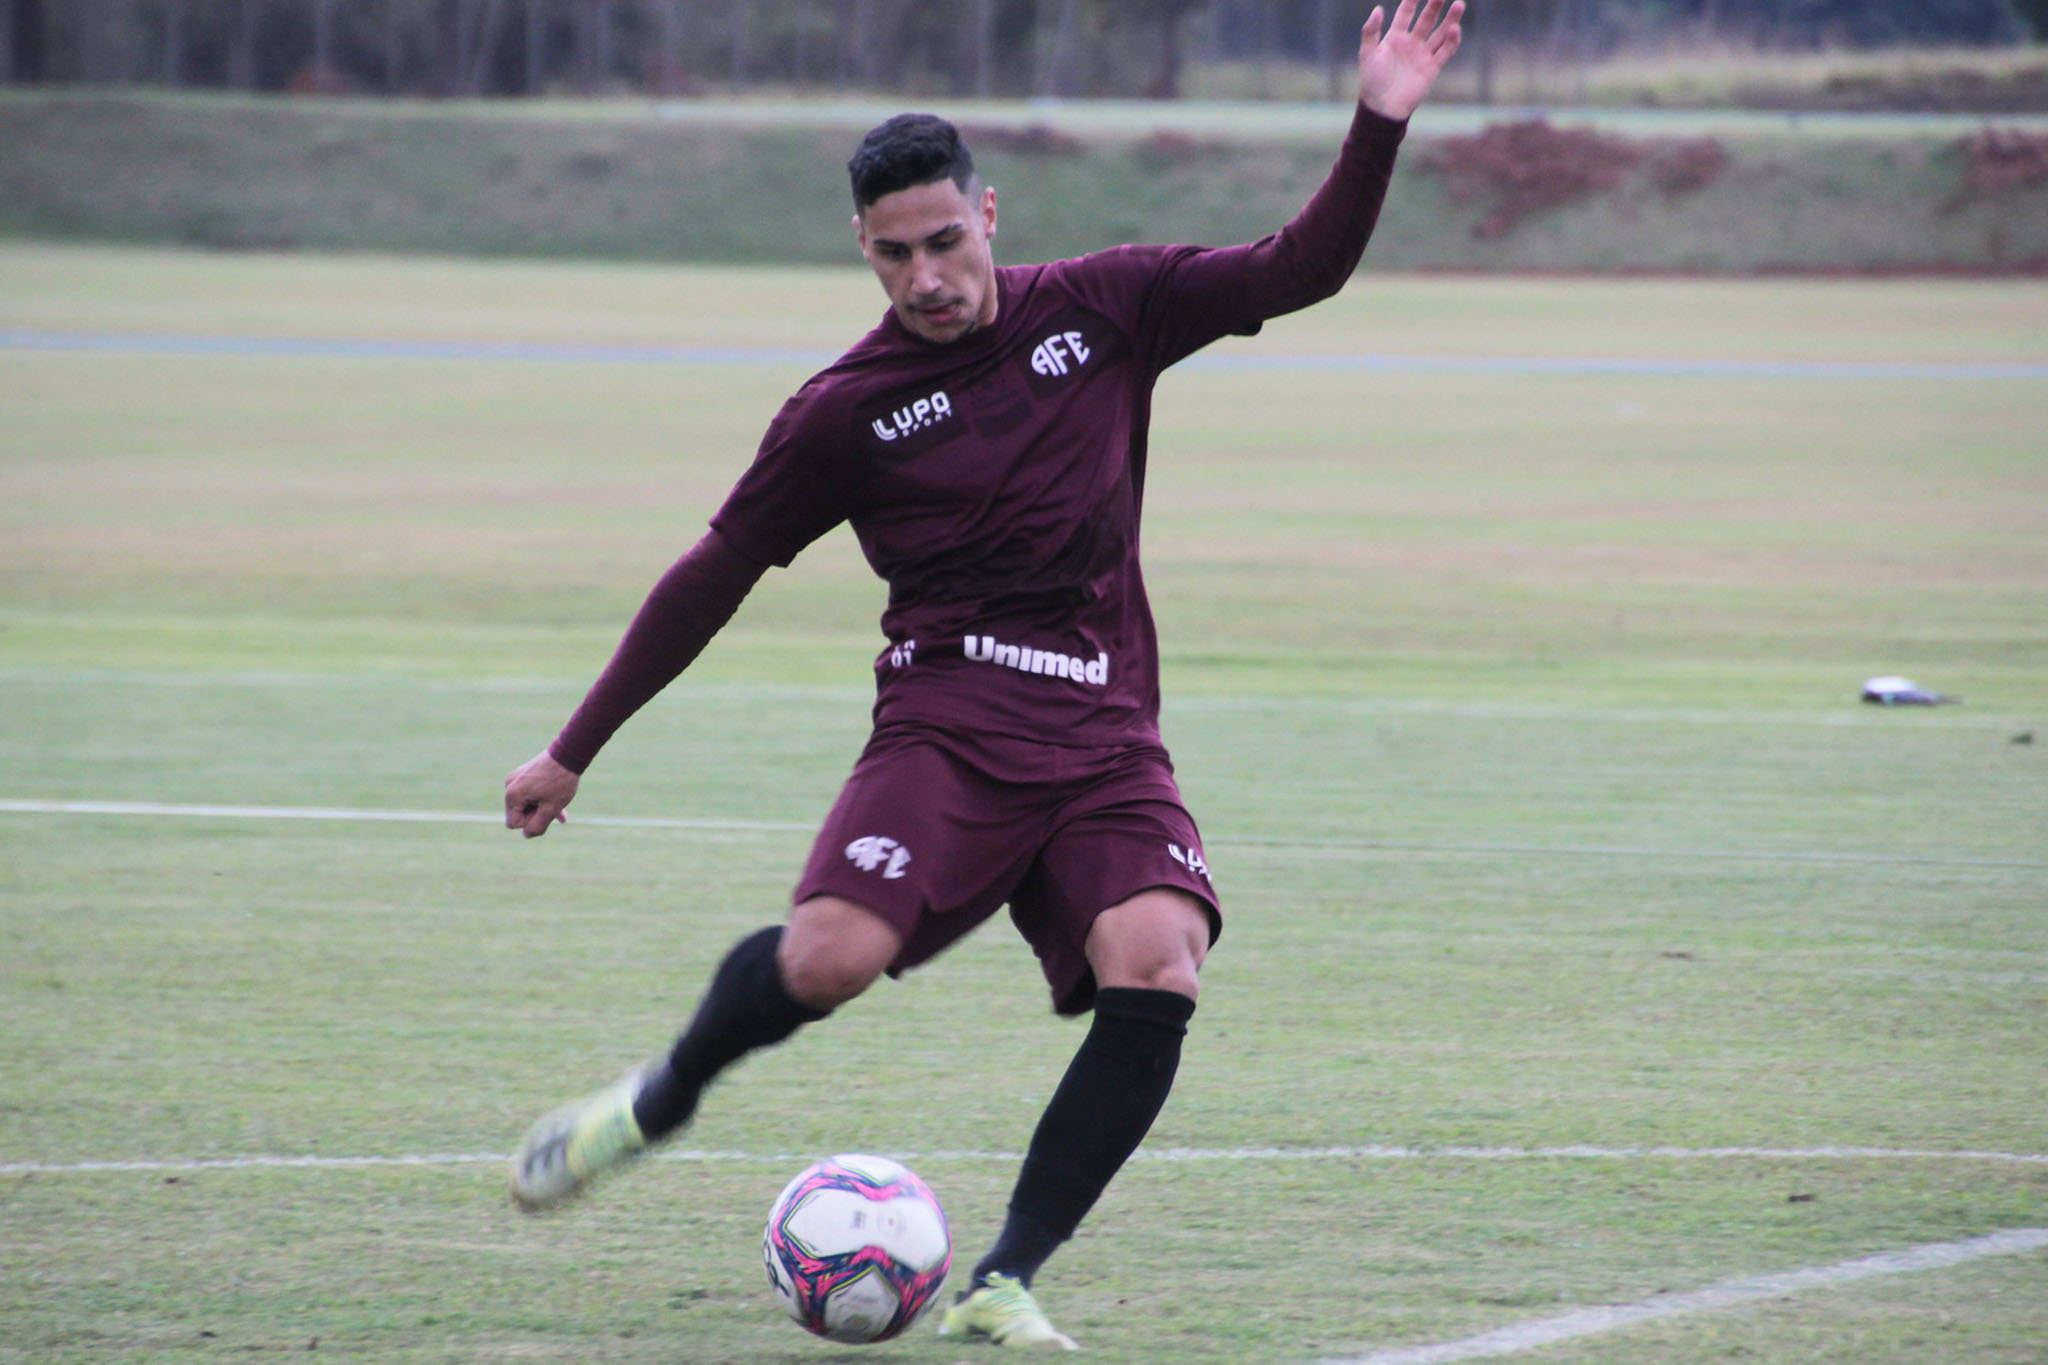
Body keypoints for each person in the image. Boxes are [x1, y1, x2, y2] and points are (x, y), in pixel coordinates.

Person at [502, 1, 1462, 1349]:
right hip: (948, 725)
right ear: (864, 251)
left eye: (946, 241)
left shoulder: (1108, 307)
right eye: (895, 255)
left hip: (1104, 730)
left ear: (990, 214)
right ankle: (658, 1097)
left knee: (1160, 959)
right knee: (830, 959)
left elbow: (1298, 268)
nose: (927, 276)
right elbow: (715, 569)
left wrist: (1381, 116)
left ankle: (1006, 1276)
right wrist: (573, 746)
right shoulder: (847, 410)